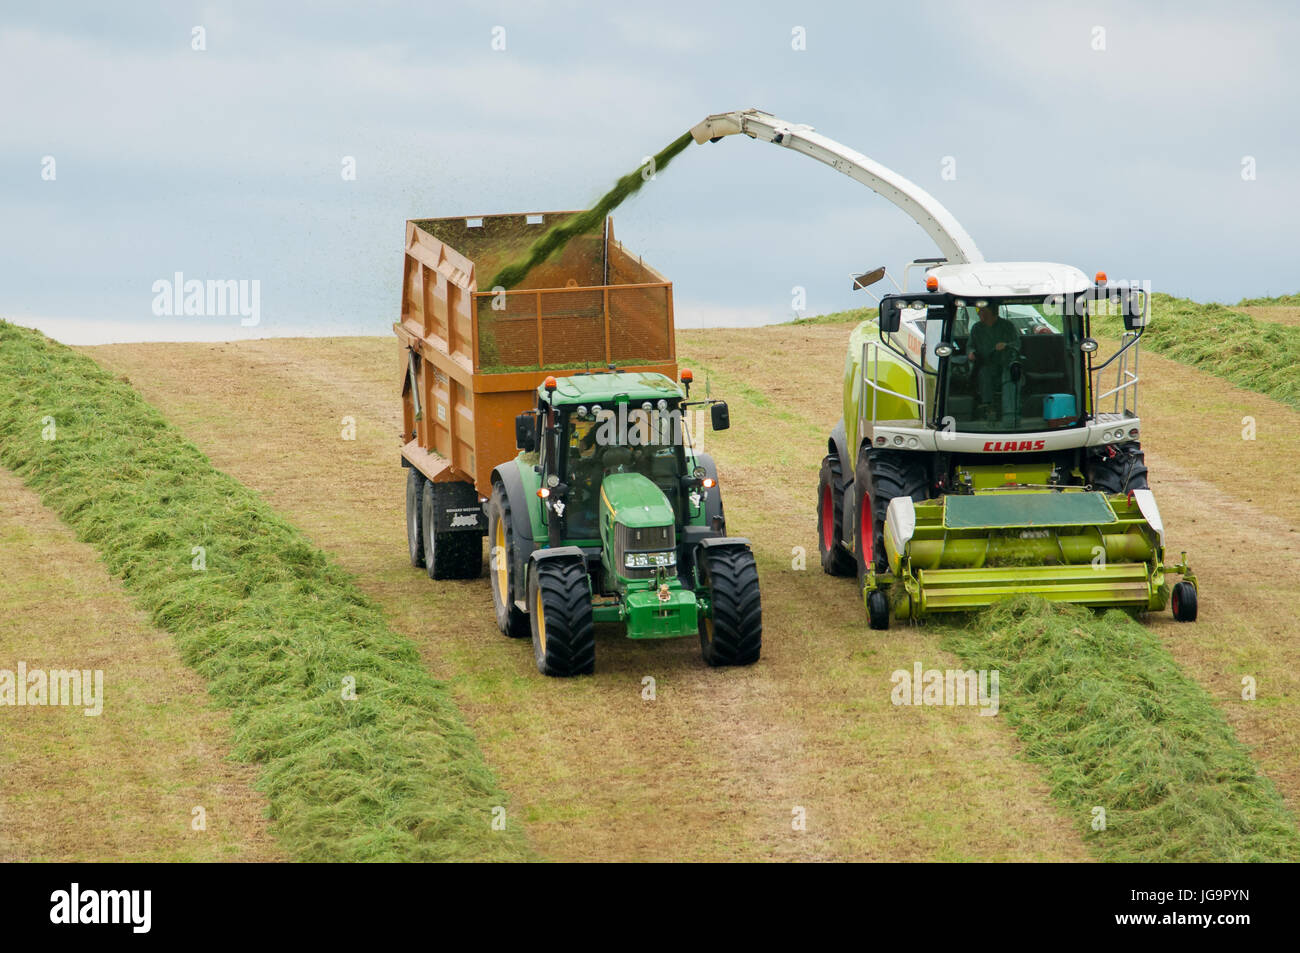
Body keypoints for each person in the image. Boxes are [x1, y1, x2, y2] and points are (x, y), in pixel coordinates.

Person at [968, 304, 1020, 423]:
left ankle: (1011, 413)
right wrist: (970, 353)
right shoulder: (976, 328)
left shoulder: (1007, 326)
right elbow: (970, 346)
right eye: (979, 311)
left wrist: (1006, 345)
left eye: (982, 311)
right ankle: (989, 408)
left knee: (1011, 375)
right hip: (986, 364)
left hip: (1006, 363)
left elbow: (1017, 344)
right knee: (984, 374)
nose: (979, 313)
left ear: (992, 312)